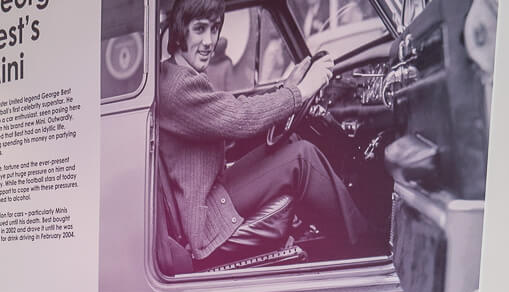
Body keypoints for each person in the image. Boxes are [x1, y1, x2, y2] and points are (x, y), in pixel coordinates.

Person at [157, 0, 369, 266]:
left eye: (214, 28)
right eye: (199, 29)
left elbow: (227, 109)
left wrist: (286, 88)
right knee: (301, 158)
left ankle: (335, 244)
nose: (209, 41)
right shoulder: (178, 86)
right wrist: (299, 92)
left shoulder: (177, 74)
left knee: (291, 143)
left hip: (210, 194)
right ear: (180, 32)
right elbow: (238, 115)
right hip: (205, 216)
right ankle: (365, 248)